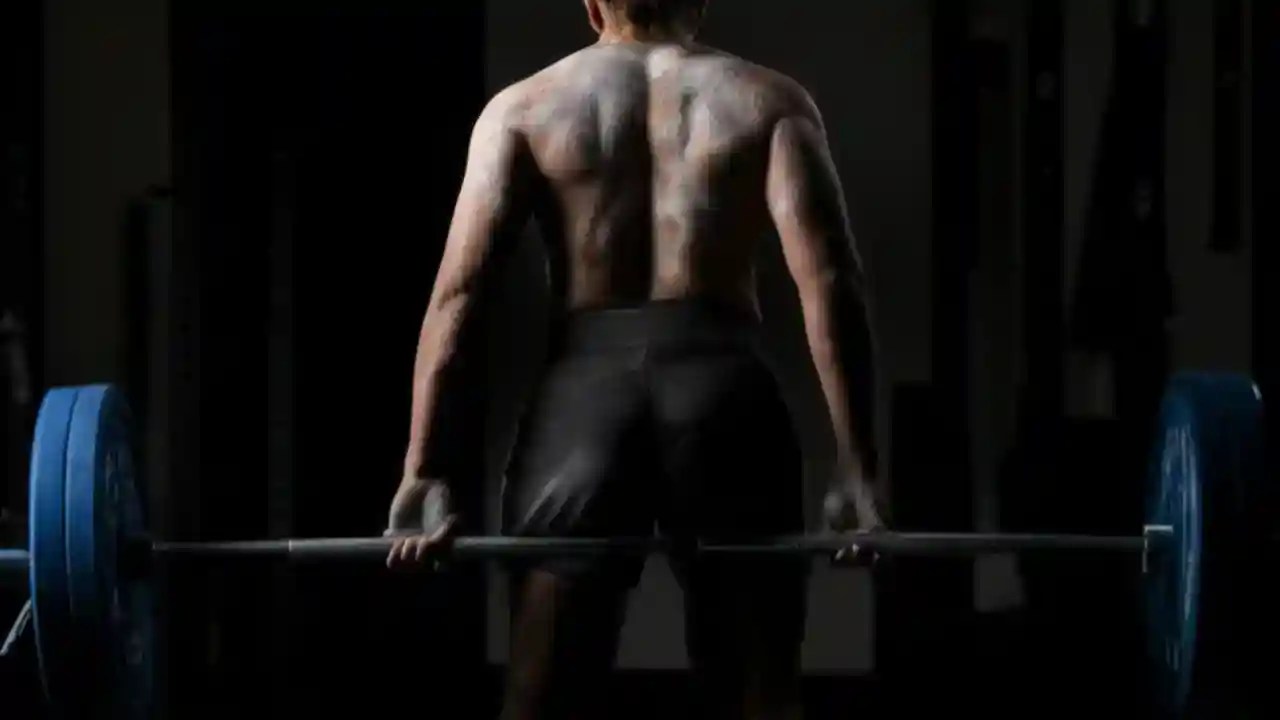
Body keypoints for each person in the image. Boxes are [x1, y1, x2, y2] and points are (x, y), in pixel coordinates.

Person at [385, 1, 885, 717]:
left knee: (538, 697)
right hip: (724, 393)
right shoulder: (768, 100)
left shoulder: (524, 108)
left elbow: (459, 297)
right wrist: (856, 468)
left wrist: (423, 469)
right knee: (759, 694)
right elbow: (831, 284)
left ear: (590, 5)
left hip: (582, 403)